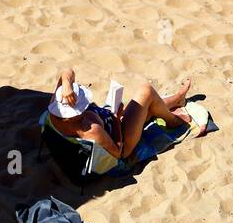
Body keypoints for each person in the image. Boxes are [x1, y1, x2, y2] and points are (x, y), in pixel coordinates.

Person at [46, 66, 200, 164]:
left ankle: (177, 99)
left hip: (108, 125)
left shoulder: (56, 113)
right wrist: (116, 119)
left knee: (144, 105)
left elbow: (67, 71)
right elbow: (118, 153)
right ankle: (173, 121)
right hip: (121, 142)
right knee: (146, 92)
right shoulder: (91, 130)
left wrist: (66, 85)